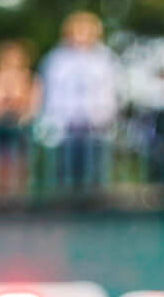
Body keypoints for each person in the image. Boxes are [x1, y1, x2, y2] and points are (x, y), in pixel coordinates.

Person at [40, 13, 120, 193]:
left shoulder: (105, 59)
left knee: (96, 178)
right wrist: (53, 121)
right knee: (64, 178)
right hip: (65, 128)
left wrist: (104, 116)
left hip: (97, 128)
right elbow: (50, 92)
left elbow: (110, 92)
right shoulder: (56, 59)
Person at [0, 39, 40, 197]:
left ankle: (17, 204)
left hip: (18, 132)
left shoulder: (30, 80)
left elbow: (32, 108)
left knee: (18, 170)